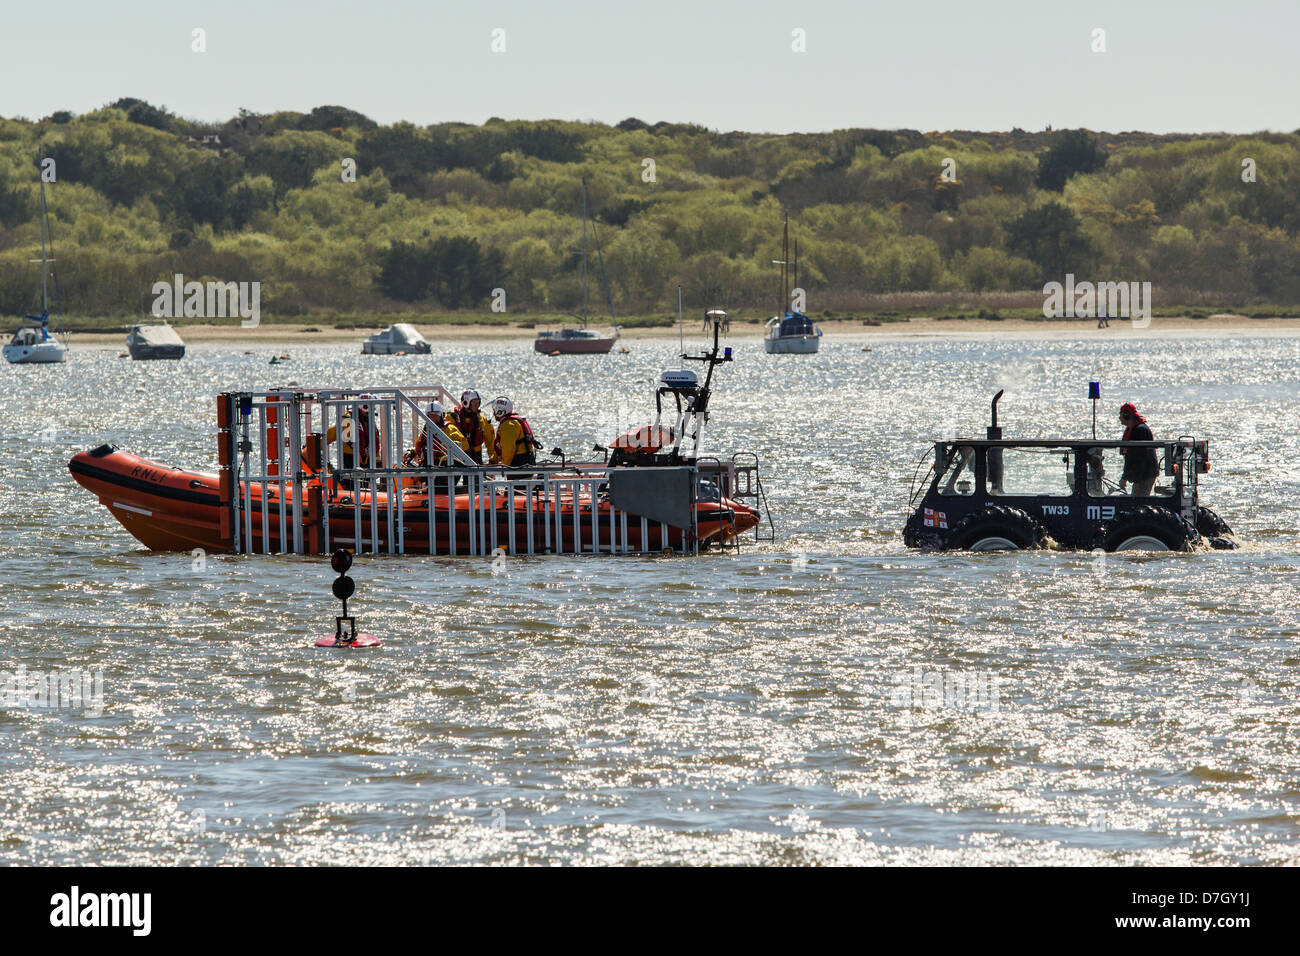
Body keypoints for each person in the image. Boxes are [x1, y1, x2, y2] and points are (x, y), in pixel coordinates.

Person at [1118, 402, 1158, 496]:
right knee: (1136, 496)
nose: (1119, 418)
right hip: (1141, 473)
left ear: (1126, 415)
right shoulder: (1133, 429)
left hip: (1145, 473)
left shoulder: (1140, 430)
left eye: (1120, 414)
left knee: (1139, 499)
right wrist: (1126, 476)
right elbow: (1130, 457)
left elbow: (1138, 456)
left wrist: (1126, 477)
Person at [490, 397, 541, 468]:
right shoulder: (511, 422)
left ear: (499, 411)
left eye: (494, 410)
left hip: (519, 464)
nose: (493, 413)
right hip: (524, 462)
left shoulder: (508, 425)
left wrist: (503, 467)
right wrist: (493, 460)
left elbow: (508, 450)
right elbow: (503, 446)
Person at [448, 389, 494, 464]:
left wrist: (492, 458)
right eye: (474, 402)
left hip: (476, 456)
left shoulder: (481, 419)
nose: (477, 405)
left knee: (477, 475)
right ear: (466, 403)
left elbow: (490, 440)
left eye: (478, 402)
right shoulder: (452, 418)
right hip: (457, 454)